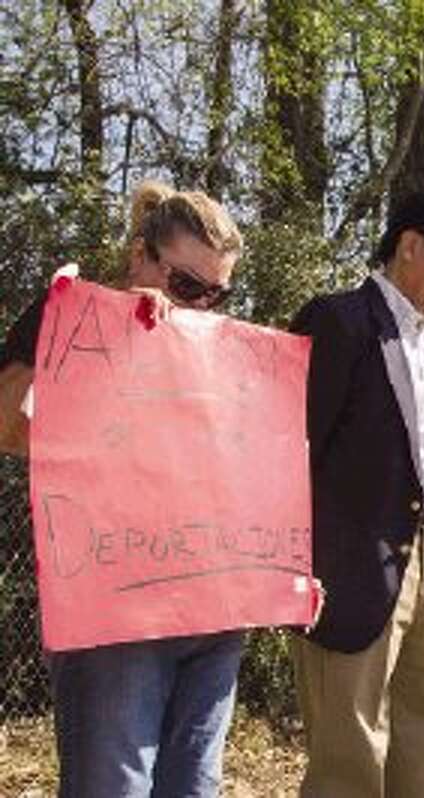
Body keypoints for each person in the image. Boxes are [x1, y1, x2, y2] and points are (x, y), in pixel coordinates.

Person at [0, 180, 244, 796]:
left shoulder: (226, 355)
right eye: (187, 286)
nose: (200, 306)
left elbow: (252, 477)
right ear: (141, 256)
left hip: (214, 614)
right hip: (116, 613)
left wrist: (280, 573)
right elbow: (7, 424)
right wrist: (70, 320)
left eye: (217, 293)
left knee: (192, 789)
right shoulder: (75, 318)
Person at [288, 189, 424, 798]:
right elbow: (294, 452)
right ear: (408, 245)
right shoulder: (337, 320)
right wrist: (298, 566)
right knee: (349, 756)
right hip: (349, 567)